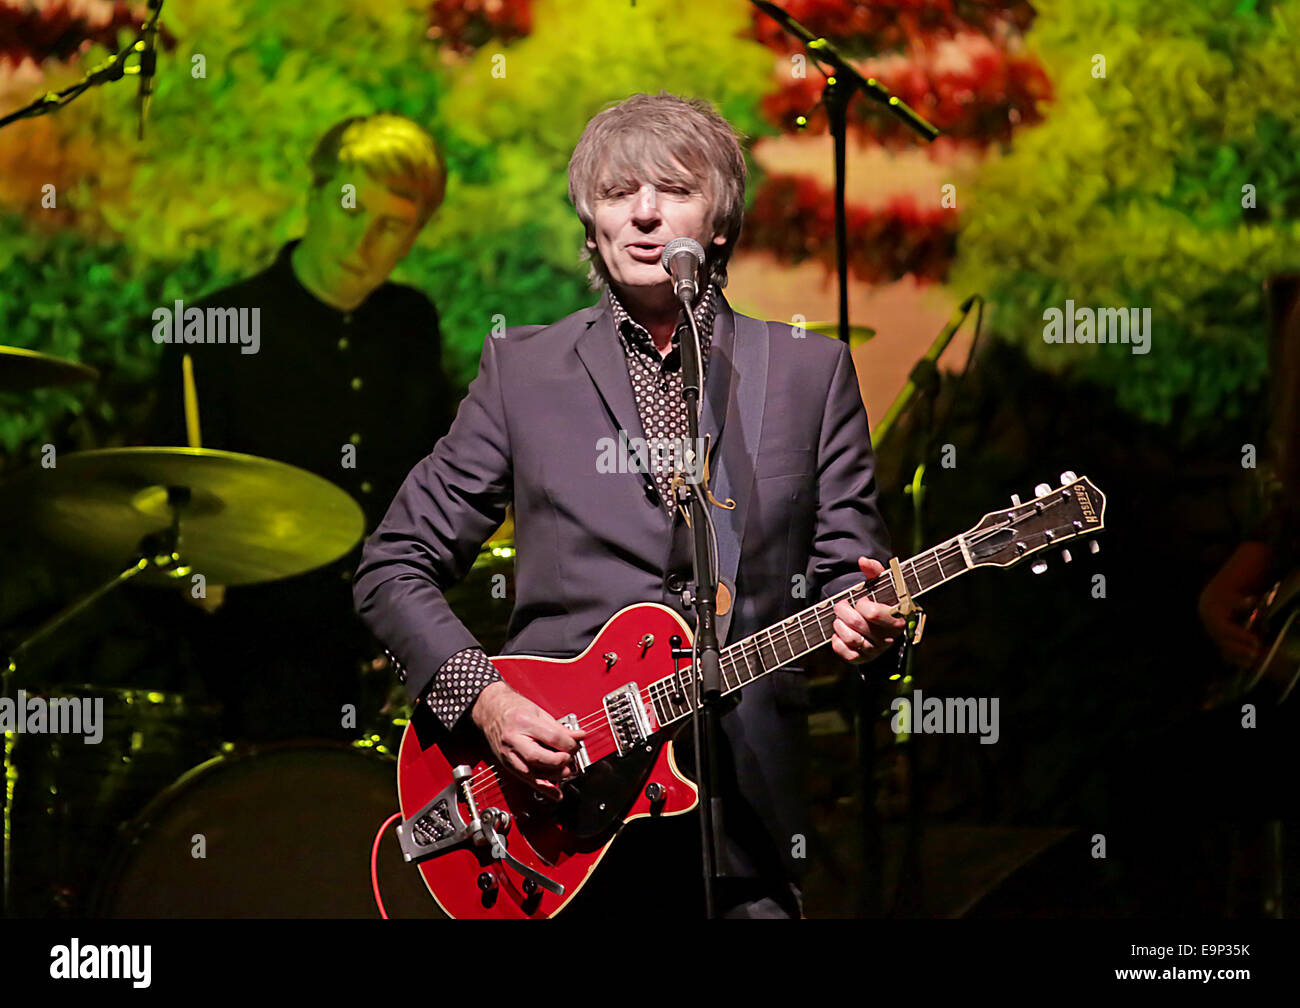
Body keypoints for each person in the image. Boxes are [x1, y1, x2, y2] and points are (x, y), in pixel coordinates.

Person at [353, 93, 900, 917]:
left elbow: (847, 577)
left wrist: (865, 622)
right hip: (554, 822)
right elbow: (393, 566)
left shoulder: (807, 375)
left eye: (674, 190)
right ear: (592, 224)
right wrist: (489, 702)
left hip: (743, 825)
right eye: (617, 194)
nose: (644, 215)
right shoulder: (523, 374)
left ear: (719, 222)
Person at [147, 112, 454, 741]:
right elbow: (165, 500)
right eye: (348, 208)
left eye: (390, 226)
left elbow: (440, 478)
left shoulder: (411, 324)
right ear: (312, 196)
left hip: (395, 636)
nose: (361, 241)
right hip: (259, 652)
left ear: (414, 237)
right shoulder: (213, 327)